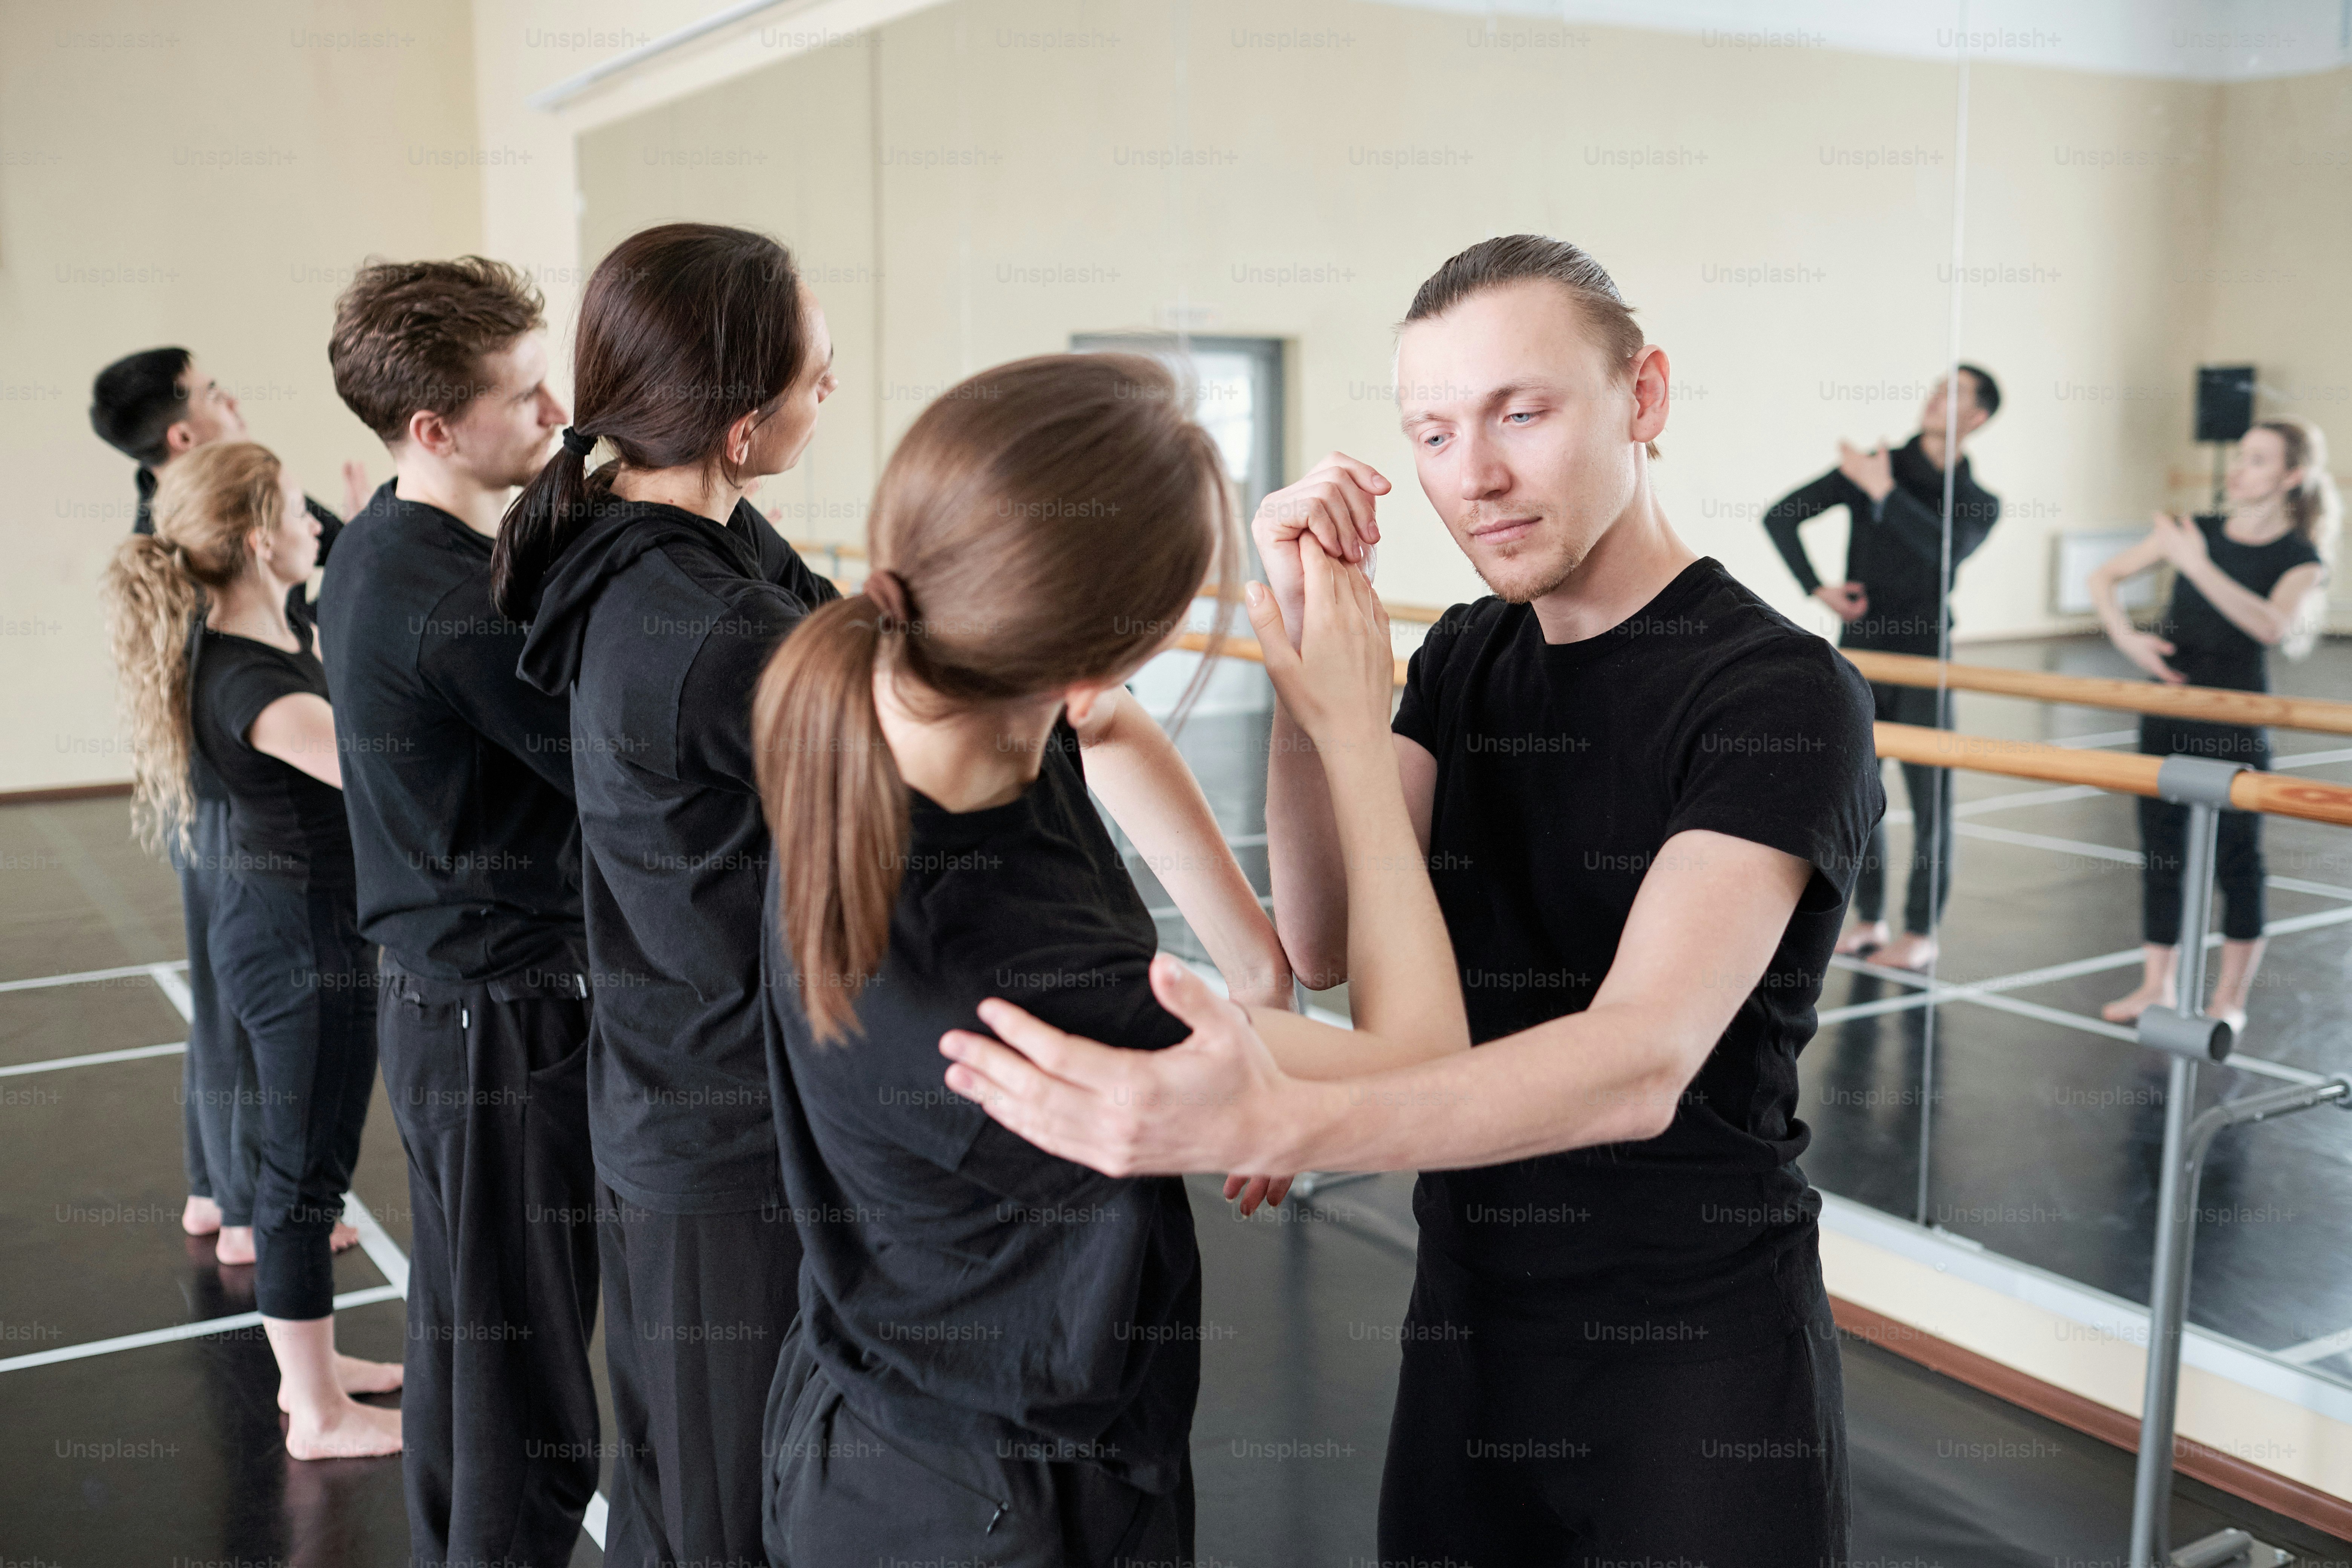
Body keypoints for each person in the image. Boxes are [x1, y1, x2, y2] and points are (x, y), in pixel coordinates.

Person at [935, 235, 1883, 1566]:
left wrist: (1296, 1110)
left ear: (1645, 398)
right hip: (1472, 1321)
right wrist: (1303, 642)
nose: (1475, 475)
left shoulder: (1776, 693)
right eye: (1432, 434)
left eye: (1522, 413)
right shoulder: (1465, 655)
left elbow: (1639, 1064)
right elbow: (1324, 937)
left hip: (1695, 1357)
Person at [751, 353, 1408, 1563]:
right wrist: (1351, 733)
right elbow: (1421, 1066)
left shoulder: (892, 722)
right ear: (1101, 654)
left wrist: (1258, 976)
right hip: (1004, 1508)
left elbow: (1100, 724)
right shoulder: (1039, 985)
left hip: (863, 1435)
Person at [493, 222, 841, 1568]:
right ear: (743, 427)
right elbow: (906, 752)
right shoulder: (699, 623)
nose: (833, 394)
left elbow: (850, 635)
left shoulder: (682, 545)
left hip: (678, 1098)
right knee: (716, 1513)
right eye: (820, 378)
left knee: (677, 1490)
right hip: (718, 1137)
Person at [318, 257, 596, 1566]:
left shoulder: (385, 539)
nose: (558, 415)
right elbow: (628, 764)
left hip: (454, 1011)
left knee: (473, 1337)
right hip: (496, 1021)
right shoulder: (442, 599)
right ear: (435, 430)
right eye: (525, 396)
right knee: (519, 1369)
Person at [101, 441, 403, 1459]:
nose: (317, 522)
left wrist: (369, 544)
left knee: (314, 1168)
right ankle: (315, 1413)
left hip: (298, 933)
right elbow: (385, 769)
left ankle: (309, 1369)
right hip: (297, 950)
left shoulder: (272, 643)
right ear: (254, 539)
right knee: (301, 1181)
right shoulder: (253, 688)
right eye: (299, 513)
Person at [89, 347, 363, 1262]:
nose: (233, 400)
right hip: (233, 804)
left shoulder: (216, 508)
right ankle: (250, 1204)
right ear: (183, 432)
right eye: (214, 394)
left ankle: (223, 1193)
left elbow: (323, 558)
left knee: (227, 993)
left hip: (238, 793)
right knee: (247, 1000)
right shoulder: (201, 526)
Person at [2090, 419, 2336, 1034]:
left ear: (2291, 477)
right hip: (2168, 709)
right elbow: (2104, 577)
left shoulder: (2301, 557)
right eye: (2240, 457)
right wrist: (2127, 638)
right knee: (2161, 852)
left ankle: (2230, 997)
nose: (2238, 470)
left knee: (2238, 860)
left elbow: (2270, 626)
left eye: (2257, 460)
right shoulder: (2192, 530)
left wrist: (2196, 566)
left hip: (2237, 722)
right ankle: (2157, 985)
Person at [1762, 364, 2001, 971]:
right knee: (1858, 795)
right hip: (1861, 653)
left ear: (1977, 419)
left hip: (1927, 659)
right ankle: (1869, 920)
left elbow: (1944, 551)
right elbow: (1781, 515)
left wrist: (1882, 494)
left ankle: (1921, 930)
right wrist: (1816, 586)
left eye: (1955, 395)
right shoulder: (1877, 463)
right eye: (1938, 387)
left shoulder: (1979, 502)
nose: (1937, 398)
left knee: (1931, 801)